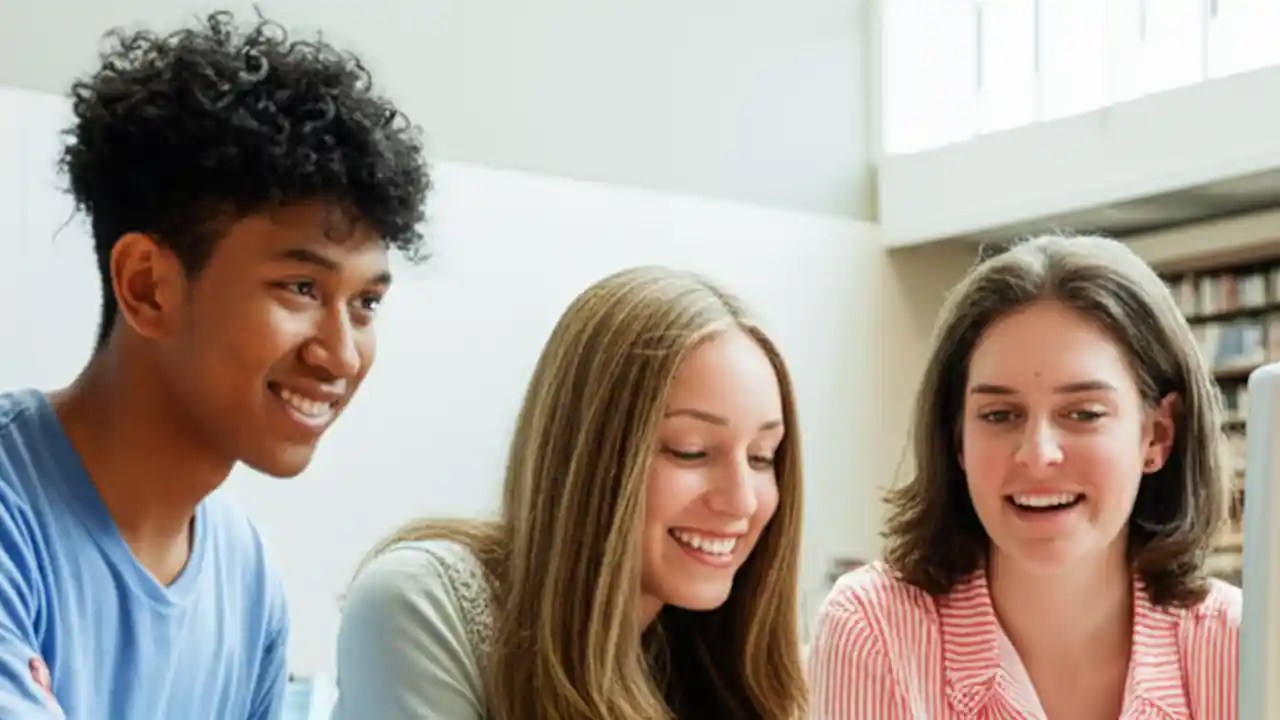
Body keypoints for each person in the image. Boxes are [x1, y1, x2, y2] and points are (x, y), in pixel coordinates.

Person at [0, 10, 430, 718]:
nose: (341, 355)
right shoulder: (17, 515)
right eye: (301, 289)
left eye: (365, 304)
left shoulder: (247, 582)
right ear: (147, 285)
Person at [332, 266, 809, 719]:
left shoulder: (713, 662)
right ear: (588, 452)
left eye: (763, 456)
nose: (742, 500)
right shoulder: (423, 605)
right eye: (690, 451)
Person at [808, 234, 1240, 719]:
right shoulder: (874, 630)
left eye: (1083, 413)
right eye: (998, 415)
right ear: (957, 440)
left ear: (1158, 435)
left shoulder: (1241, 644)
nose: (1037, 455)